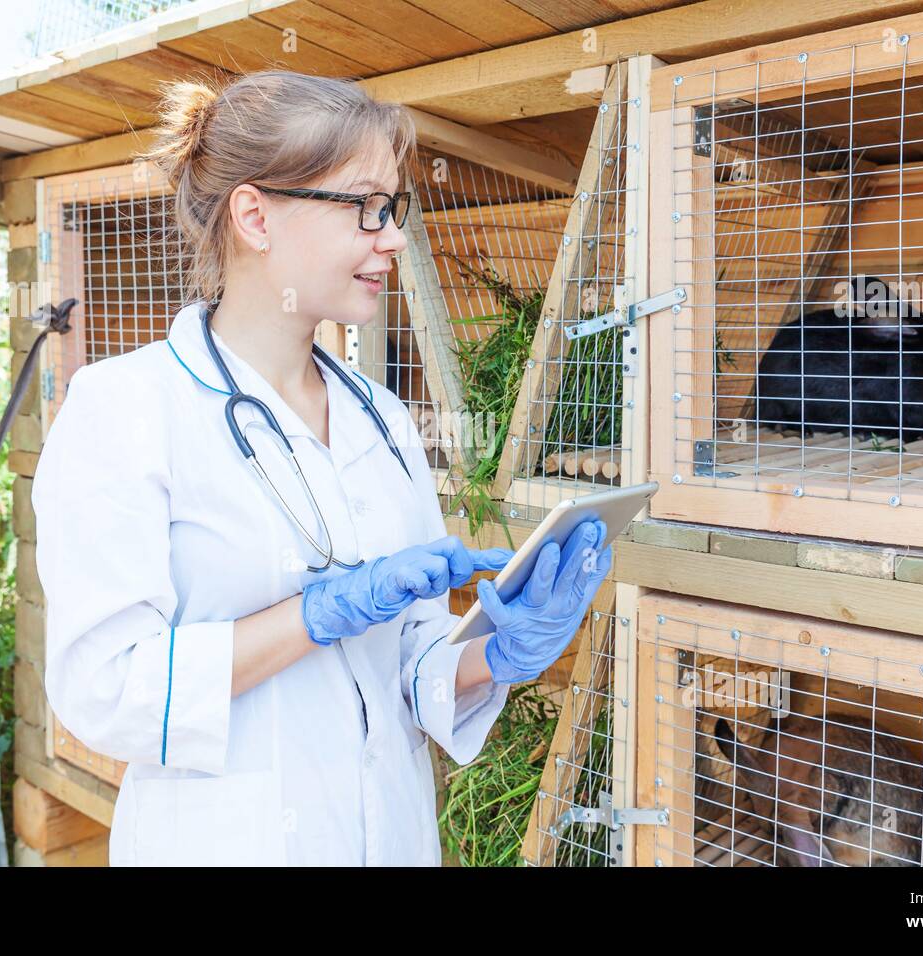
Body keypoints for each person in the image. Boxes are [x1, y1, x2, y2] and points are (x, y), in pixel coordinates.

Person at [31, 69, 613, 866]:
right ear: (255, 214)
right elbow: (104, 691)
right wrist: (311, 617)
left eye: (395, 208)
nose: (393, 238)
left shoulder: (383, 418)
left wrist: (498, 655)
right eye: (365, 208)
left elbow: (410, 665)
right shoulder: (124, 411)